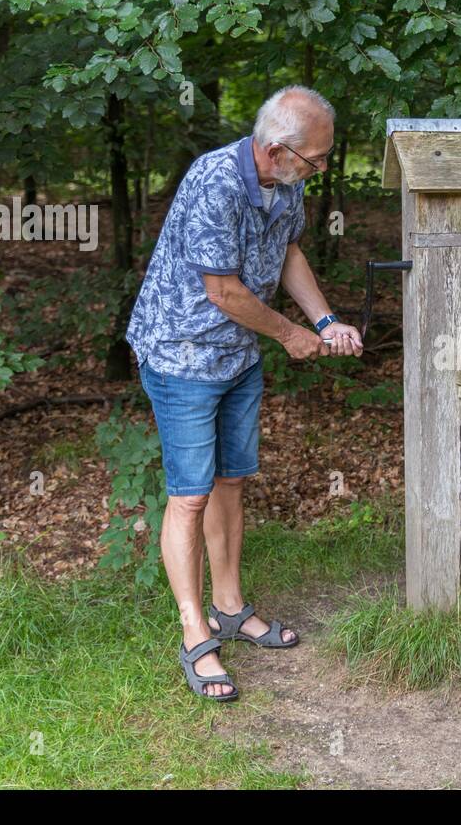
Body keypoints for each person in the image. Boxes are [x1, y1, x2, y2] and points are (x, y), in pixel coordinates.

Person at [125, 84, 362, 700]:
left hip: (236, 355)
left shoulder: (288, 182)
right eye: (316, 159)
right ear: (277, 149)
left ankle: (229, 606)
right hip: (182, 355)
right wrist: (288, 335)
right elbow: (223, 292)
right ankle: (194, 630)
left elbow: (287, 253)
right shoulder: (215, 183)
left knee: (232, 481)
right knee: (191, 496)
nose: (322, 168)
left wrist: (325, 321)